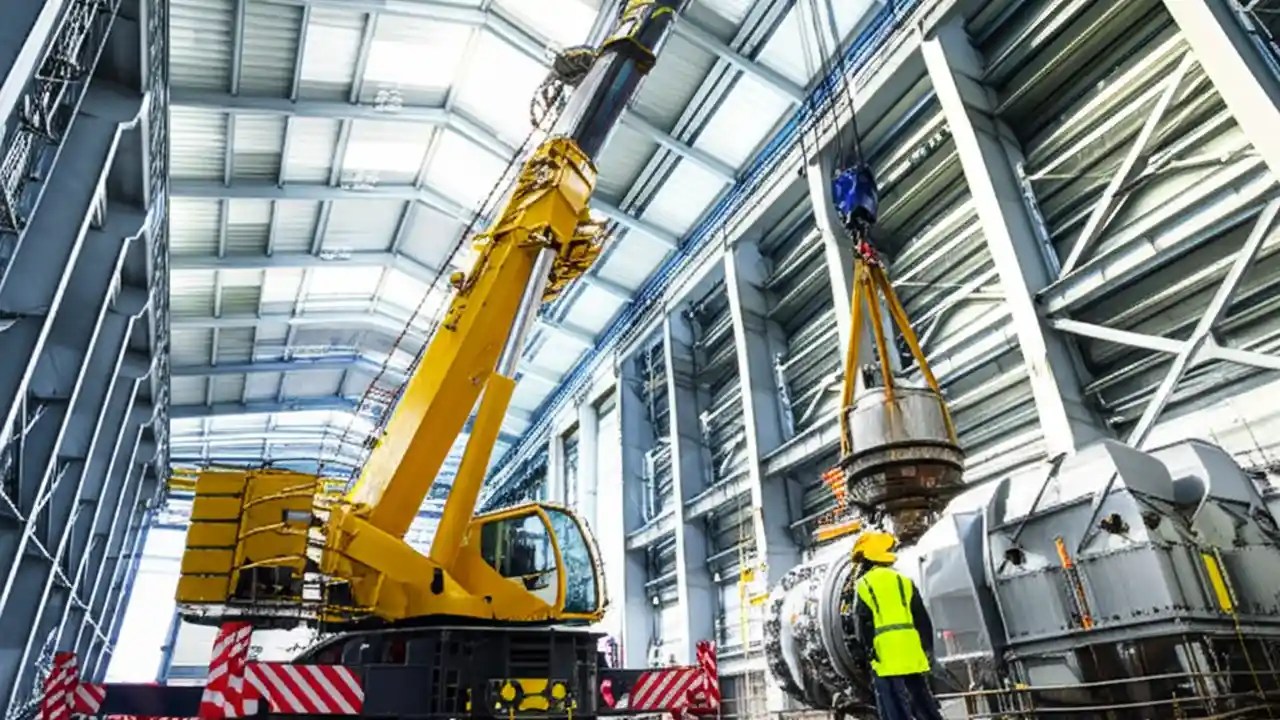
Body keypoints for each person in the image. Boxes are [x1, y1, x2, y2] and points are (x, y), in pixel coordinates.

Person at [851, 530, 944, 720]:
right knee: (922, 698)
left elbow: (863, 623)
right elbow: (922, 619)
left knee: (893, 704)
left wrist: (866, 652)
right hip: (911, 649)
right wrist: (928, 648)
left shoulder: (864, 584)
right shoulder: (904, 581)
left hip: (885, 654)